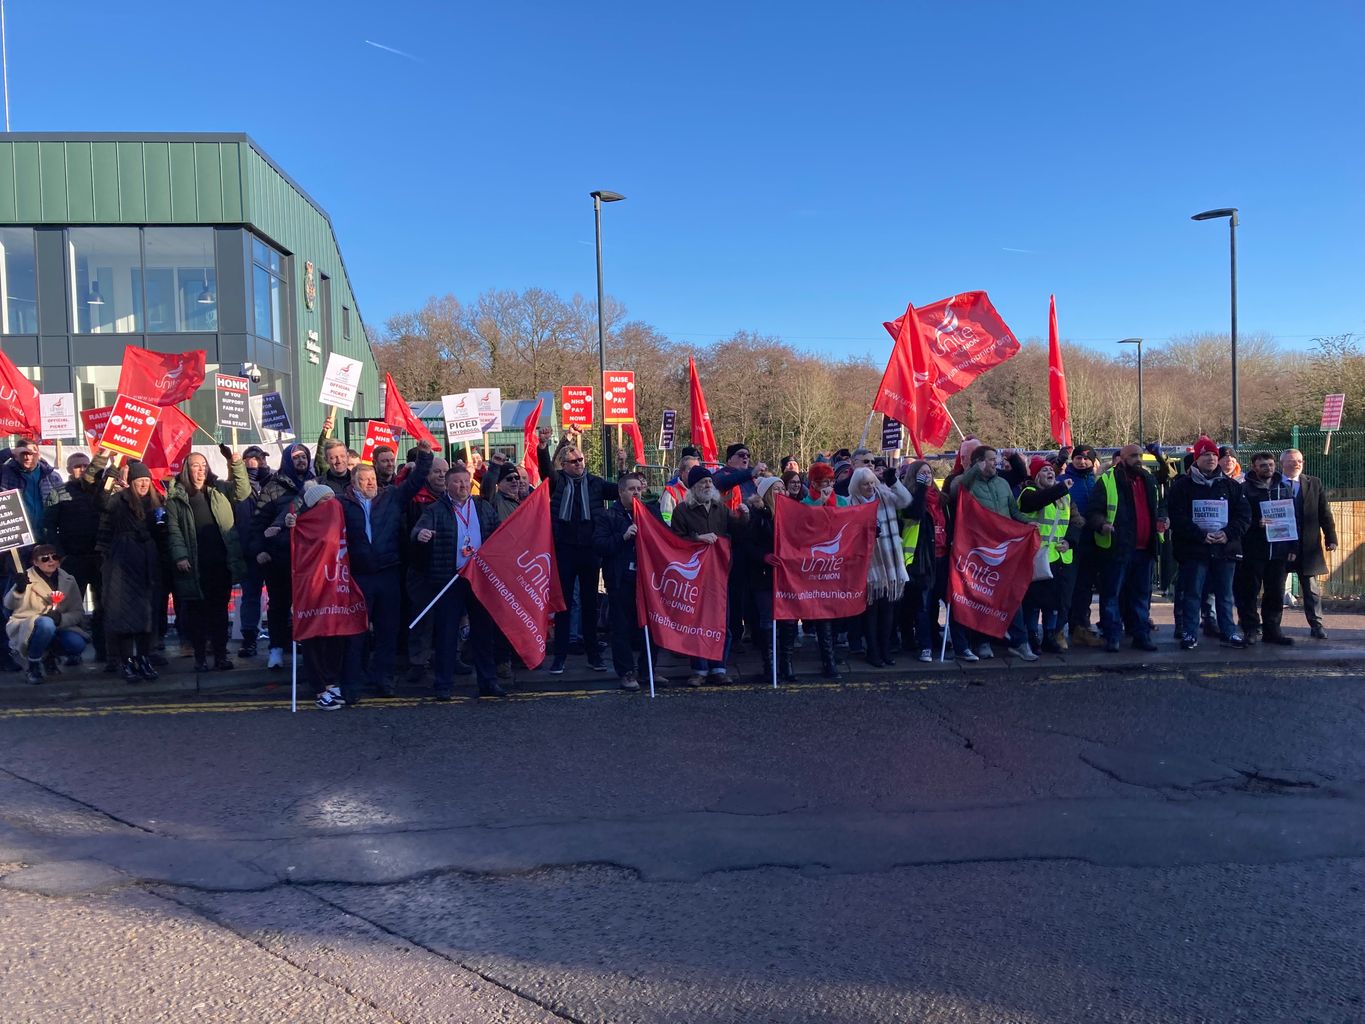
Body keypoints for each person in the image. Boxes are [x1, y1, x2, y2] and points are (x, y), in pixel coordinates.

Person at [341, 442, 433, 701]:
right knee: (356, 633)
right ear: (354, 482)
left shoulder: (390, 496)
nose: (370, 483)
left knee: (387, 631)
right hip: (359, 576)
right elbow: (312, 510)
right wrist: (289, 519)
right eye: (364, 479)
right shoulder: (342, 503)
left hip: (388, 574)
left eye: (372, 478)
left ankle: (384, 679)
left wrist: (425, 456)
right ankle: (352, 684)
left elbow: (415, 482)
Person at [411, 465, 505, 699]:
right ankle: (443, 685)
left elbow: (498, 533)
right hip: (449, 578)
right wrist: (421, 535)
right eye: (457, 482)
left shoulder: (483, 507)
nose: (463, 486)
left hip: (479, 578)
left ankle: (488, 681)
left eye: (465, 481)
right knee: (446, 633)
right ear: (447, 485)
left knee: (483, 632)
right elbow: (417, 529)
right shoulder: (435, 509)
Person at [165, 448, 252, 672]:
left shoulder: (219, 489)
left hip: (220, 561)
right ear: (187, 469)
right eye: (196, 465)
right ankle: (200, 658)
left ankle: (221, 655)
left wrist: (236, 464)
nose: (201, 470)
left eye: (204, 465)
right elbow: (174, 530)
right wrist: (180, 556)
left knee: (220, 611)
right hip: (194, 563)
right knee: (197, 613)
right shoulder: (176, 497)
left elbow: (243, 491)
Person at [949, 444, 1035, 661]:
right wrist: (975, 470)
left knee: (1010, 594)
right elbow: (957, 490)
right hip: (979, 549)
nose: (995, 463)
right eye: (990, 459)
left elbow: (1013, 511)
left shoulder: (1002, 483)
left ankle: (1020, 642)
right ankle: (982, 641)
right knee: (983, 596)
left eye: (995, 459)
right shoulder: (964, 482)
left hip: (1004, 548)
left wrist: (1028, 523)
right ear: (978, 462)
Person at [1167, 436, 1251, 650]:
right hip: (1195, 550)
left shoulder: (1232, 486)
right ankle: (1190, 633)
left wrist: (1227, 534)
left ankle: (1229, 633)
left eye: (1214, 454)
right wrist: (1200, 535)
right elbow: (1177, 516)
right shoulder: (1182, 486)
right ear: (1196, 458)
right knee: (1193, 593)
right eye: (1206, 454)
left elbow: (1243, 516)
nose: (1211, 458)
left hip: (1225, 549)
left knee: (1225, 594)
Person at [277, 484, 352, 710]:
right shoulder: (302, 524)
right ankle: (319, 688)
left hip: (334, 585)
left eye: (333, 498)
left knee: (335, 635)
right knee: (313, 637)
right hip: (312, 589)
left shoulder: (340, 519)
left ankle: (330, 682)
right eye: (325, 501)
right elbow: (287, 547)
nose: (332, 504)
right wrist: (290, 525)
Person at [539, 440, 609, 674]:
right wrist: (543, 448)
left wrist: (622, 468)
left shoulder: (595, 483)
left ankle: (593, 655)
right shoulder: (558, 482)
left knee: (590, 605)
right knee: (564, 606)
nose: (579, 464)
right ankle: (559, 657)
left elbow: (619, 491)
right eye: (573, 461)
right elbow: (545, 470)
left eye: (581, 460)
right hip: (565, 549)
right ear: (564, 465)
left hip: (589, 550)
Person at [1086, 444, 1164, 654]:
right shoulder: (1108, 480)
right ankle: (1112, 636)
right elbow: (1094, 511)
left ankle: (1141, 634)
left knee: (1141, 595)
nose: (1138, 459)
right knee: (1112, 594)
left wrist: (1162, 520)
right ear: (1122, 458)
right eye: (1133, 456)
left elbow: (1157, 507)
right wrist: (1102, 524)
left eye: (1140, 456)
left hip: (1144, 548)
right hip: (1118, 548)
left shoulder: (1148, 480)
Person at [97, 461, 167, 683]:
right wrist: (112, 474)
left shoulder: (157, 502)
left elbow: (163, 532)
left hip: (148, 562)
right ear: (132, 482)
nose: (144, 484)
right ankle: (126, 660)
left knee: (147, 613)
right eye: (139, 481)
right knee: (124, 613)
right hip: (123, 561)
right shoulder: (119, 500)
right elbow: (101, 501)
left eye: (147, 480)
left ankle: (144, 657)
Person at [671, 465, 740, 686]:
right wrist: (697, 538)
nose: (708, 485)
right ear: (693, 487)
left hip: (720, 572)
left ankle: (719, 667)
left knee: (721, 622)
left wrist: (746, 514)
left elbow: (738, 529)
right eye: (703, 482)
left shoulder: (721, 508)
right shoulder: (682, 511)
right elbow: (675, 540)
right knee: (697, 622)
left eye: (710, 481)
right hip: (695, 575)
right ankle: (699, 670)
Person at [249, 442, 315, 669]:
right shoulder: (273, 487)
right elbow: (258, 523)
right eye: (296, 457)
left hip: (308, 559)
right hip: (279, 558)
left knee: (308, 605)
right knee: (279, 605)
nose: (301, 461)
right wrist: (260, 549)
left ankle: (307, 647)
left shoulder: (315, 484)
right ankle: (276, 649)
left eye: (304, 456)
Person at [592, 473, 658, 691]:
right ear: (620, 493)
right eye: (631, 489)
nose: (636, 492)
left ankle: (649, 670)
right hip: (621, 579)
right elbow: (600, 545)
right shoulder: (608, 516)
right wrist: (622, 537)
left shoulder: (650, 512)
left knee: (651, 626)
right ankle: (627, 672)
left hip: (647, 580)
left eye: (639, 488)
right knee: (621, 627)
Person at [42, 451, 104, 665]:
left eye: (86, 465)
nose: (82, 469)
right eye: (77, 466)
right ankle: (73, 651)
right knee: (70, 608)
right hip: (73, 559)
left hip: (99, 558)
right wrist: (61, 555)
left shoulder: (101, 490)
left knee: (103, 605)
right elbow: (49, 526)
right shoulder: (59, 492)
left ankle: (104, 650)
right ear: (69, 470)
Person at [847, 466, 911, 667]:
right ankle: (873, 651)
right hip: (869, 561)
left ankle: (885, 649)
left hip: (890, 556)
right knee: (871, 609)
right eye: (865, 484)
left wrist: (894, 482)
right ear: (856, 486)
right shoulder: (850, 503)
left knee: (888, 607)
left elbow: (905, 501)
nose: (870, 487)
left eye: (872, 482)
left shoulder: (883, 495)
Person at [1018, 456, 1080, 654]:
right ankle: (1032, 636)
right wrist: (1061, 488)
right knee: (1034, 601)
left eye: (1051, 470)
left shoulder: (1065, 496)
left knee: (1054, 602)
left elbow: (1076, 522)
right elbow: (1036, 501)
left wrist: (1069, 541)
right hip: (1036, 557)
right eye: (1044, 470)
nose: (1050, 472)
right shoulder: (1028, 493)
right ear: (1036, 476)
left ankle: (1049, 635)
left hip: (1060, 557)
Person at [1234, 451, 1296, 646]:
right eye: (1263, 465)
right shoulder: (1244, 489)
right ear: (1254, 467)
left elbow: (1293, 518)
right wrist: (1255, 523)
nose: (1268, 468)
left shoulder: (1284, 488)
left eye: (1270, 464)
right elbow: (1238, 517)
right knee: (1249, 592)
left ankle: (1272, 630)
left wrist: (1293, 546)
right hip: (1253, 550)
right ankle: (1250, 629)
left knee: (1275, 593)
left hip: (1278, 549)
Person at [5, 544, 89, 683]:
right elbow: (9, 604)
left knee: (76, 644)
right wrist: (19, 590)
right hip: (30, 625)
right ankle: (33, 666)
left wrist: (61, 619)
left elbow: (77, 612)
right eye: (44, 558)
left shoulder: (69, 580)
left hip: (58, 627)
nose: (51, 561)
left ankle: (49, 656)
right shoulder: (26, 578)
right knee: (46, 624)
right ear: (35, 562)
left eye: (54, 557)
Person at [1278, 449, 1337, 639]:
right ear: (1282, 463)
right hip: (1281, 545)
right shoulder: (1273, 484)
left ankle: (1317, 625)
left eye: (1299, 461)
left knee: (1311, 590)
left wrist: (1331, 538)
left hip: (1307, 546)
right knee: (1276, 588)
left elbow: (1324, 513)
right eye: (1291, 461)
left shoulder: (1314, 483)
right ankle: (1273, 627)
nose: (1296, 464)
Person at [900, 460, 949, 662]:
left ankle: (935, 638)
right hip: (921, 558)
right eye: (922, 473)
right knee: (923, 604)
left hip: (942, 556)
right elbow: (914, 514)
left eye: (929, 473)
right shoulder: (908, 498)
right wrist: (920, 488)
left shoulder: (941, 500)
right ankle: (925, 646)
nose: (927, 476)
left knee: (936, 601)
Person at [1061, 444, 1102, 646]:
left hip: (1092, 541)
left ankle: (1080, 627)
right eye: (1078, 457)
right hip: (1069, 541)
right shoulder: (1063, 480)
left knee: (1085, 587)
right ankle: (1061, 628)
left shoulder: (1097, 482)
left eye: (1086, 458)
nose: (1082, 461)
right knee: (1068, 587)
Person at [234, 446, 273, 657]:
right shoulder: (237, 487)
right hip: (249, 552)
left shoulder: (274, 482)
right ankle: (249, 639)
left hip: (273, 550)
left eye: (261, 458)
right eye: (254, 458)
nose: (258, 462)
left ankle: (281, 638)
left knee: (279, 597)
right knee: (250, 597)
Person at [1, 439, 63, 566]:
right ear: (16, 456)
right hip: (18, 542)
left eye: (31, 453)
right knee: (19, 576)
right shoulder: (5, 473)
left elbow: (64, 506)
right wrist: (11, 451)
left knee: (47, 576)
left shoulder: (52, 476)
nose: (28, 457)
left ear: (38, 454)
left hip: (46, 539)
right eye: (23, 454)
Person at [660, 448, 701, 525]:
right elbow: (666, 521)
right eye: (691, 470)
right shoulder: (671, 493)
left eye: (698, 470)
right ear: (682, 472)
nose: (695, 473)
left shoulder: (703, 491)